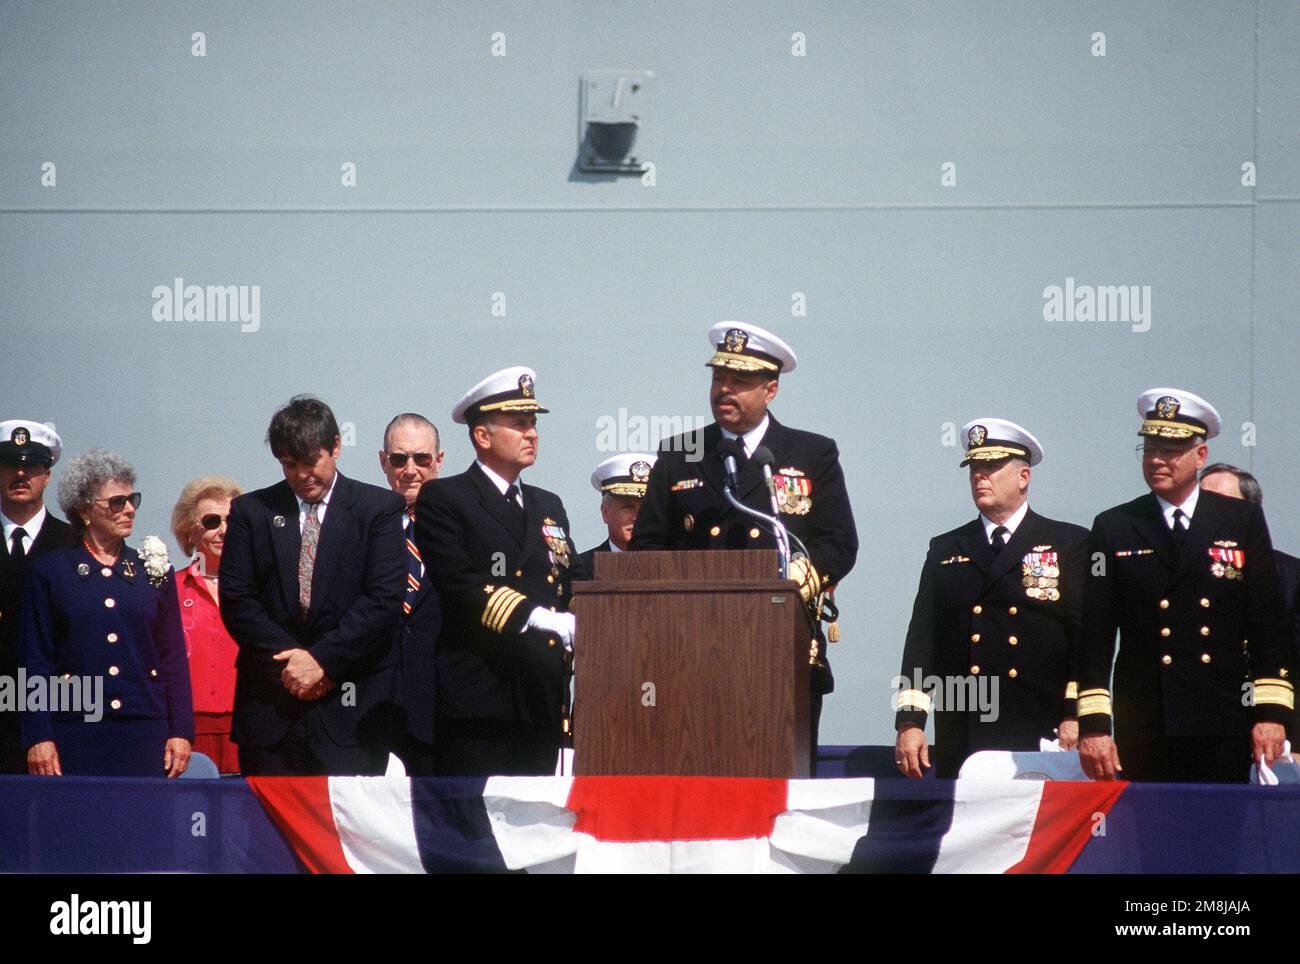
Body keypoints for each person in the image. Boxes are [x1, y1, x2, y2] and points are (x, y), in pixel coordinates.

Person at [629, 322, 858, 752]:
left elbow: (839, 541)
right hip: (692, 651)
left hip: (780, 646)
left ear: (770, 390)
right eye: (719, 378)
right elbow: (648, 547)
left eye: (740, 381)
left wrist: (800, 575)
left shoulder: (811, 453)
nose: (724, 390)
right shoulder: (681, 453)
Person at [1077, 389, 1292, 783]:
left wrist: (1271, 715)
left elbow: (1267, 625)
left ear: (1200, 455)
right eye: (1150, 448)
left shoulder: (1239, 520)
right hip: (1143, 724)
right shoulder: (1115, 526)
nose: (1157, 459)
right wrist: (1093, 726)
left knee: (1220, 838)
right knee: (1146, 840)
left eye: (1171, 449)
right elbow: (1095, 635)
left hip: (1223, 720)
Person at [219, 396, 406, 775]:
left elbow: (382, 600)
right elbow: (239, 601)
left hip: (351, 714)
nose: (303, 474)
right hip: (271, 713)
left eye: (311, 461)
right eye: (290, 464)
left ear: (336, 447)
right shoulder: (251, 512)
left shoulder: (379, 509)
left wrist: (323, 661)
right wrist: (295, 664)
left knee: (344, 834)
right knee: (265, 833)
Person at [893, 419, 1088, 778]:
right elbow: (922, 642)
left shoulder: (1069, 544)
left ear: (1023, 477)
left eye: (992, 467)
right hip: (964, 719)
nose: (980, 476)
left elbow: (1084, 642)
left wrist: (1075, 714)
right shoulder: (946, 549)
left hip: (1038, 721)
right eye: (975, 469)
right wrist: (910, 721)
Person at [413, 366, 576, 775]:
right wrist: (538, 618)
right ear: (482, 436)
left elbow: (566, 580)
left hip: (540, 695)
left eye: (533, 423)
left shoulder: (548, 504)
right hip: (481, 702)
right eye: (519, 424)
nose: (532, 433)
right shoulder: (446, 498)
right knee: (476, 828)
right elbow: (460, 583)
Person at [21, 449, 193, 776]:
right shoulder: (51, 572)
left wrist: (181, 731)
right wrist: (38, 734)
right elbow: (34, 660)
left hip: (145, 731)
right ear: (85, 510)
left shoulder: (153, 571)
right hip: (74, 731)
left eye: (132, 499)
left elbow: (172, 656)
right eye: (117, 502)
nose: (129, 509)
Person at [1200, 463, 1300, 743]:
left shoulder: (1290, 576)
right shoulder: (1177, 574)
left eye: (1221, 504)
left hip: (1274, 733)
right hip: (1198, 729)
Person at [0, 421, 78, 773]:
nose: (20, 473)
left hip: (58, 709)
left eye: (31, 466)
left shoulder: (76, 545)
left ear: (47, 475)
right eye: (9, 464)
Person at [377, 412, 444, 775]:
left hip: (440, 706)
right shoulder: (362, 526)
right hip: (373, 704)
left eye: (422, 458)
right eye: (399, 459)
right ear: (383, 461)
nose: (411, 469)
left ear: (439, 460)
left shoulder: (462, 527)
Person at [170, 475, 244, 774]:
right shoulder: (170, 589)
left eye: (232, 520)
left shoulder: (260, 591)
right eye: (212, 521)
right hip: (189, 730)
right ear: (190, 531)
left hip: (246, 727)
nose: (223, 530)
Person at [572, 453, 656, 580]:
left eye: (646, 508)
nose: (637, 518)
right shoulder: (582, 569)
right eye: (628, 507)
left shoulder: (676, 566)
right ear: (605, 513)